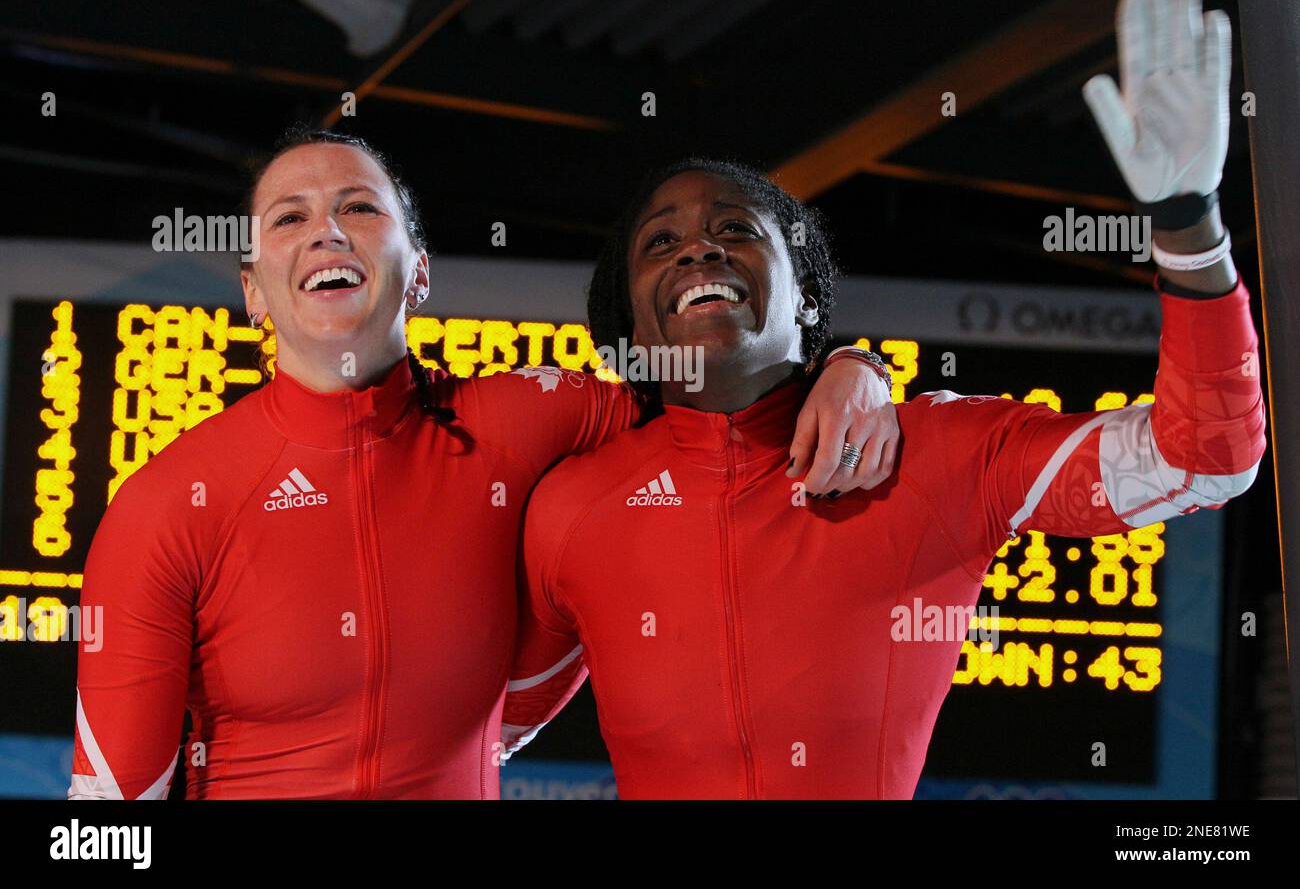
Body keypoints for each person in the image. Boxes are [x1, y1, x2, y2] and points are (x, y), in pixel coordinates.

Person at [501, 0, 1268, 798]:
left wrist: (1190, 221)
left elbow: (1202, 460)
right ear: (633, 329)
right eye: (661, 243)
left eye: (736, 230)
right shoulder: (571, 508)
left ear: (806, 301)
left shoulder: (938, 453)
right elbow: (467, 733)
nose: (699, 250)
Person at [67, 129, 898, 799]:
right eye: (289, 218)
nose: (326, 229)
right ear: (253, 292)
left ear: (419, 271)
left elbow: (722, 388)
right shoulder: (172, 502)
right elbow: (108, 809)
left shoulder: (533, 415)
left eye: (359, 207)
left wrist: (855, 365)